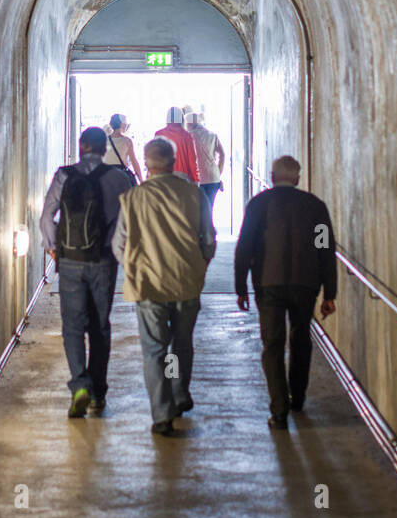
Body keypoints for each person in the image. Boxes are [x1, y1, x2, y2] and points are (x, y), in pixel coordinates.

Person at [112, 137, 216, 435]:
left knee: (155, 349)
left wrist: (133, 267)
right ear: (173, 162)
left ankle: (162, 412)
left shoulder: (133, 198)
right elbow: (208, 239)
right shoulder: (194, 195)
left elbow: (119, 245)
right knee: (181, 344)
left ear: (147, 165)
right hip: (186, 281)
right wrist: (201, 264)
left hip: (149, 284)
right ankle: (180, 394)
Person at [234, 155, 337, 430]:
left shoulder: (258, 204)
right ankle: (298, 397)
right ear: (298, 177)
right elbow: (325, 249)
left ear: (271, 176)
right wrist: (330, 292)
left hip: (269, 283)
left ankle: (279, 409)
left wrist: (240, 286)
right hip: (306, 284)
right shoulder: (315, 207)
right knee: (301, 337)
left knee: (273, 345)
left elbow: (245, 245)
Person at [40, 127, 132, 418]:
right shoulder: (118, 179)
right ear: (104, 149)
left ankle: (79, 385)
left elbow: (46, 217)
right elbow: (129, 221)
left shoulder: (64, 175)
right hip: (104, 260)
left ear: (80, 147)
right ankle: (98, 394)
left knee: (72, 325)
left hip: (70, 261)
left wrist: (54, 248)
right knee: (99, 326)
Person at [185, 111, 225, 216]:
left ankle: (201, 232)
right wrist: (218, 172)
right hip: (213, 178)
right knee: (209, 209)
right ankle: (209, 231)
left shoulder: (188, 137)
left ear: (188, 124)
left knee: (196, 211)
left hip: (197, 179)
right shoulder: (212, 135)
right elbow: (223, 154)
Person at [154, 105, 199, 182]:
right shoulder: (187, 136)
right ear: (181, 119)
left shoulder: (159, 134)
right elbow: (192, 161)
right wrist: (196, 180)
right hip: (182, 179)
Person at [102, 113, 142, 182]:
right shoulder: (127, 141)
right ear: (122, 124)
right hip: (121, 177)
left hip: (106, 176)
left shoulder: (104, 140)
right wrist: (141, 180)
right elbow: (134, 162)